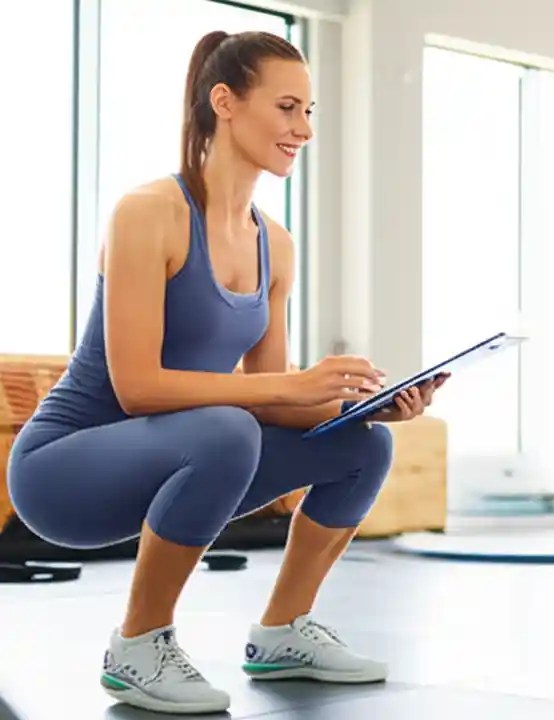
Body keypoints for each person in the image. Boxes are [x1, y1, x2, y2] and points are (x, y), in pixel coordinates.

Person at [6, 30, 447, 715]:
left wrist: (359, 408)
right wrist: (290, 387)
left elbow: (274, 402)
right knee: (224, 431)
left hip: (186, 450)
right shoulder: (148, 213)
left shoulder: (277, 243)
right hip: (63, 473)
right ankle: (138, 647)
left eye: (310, 112)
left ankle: (282, 632)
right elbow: (137, 388)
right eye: (287, 108)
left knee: (362, 448)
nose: (303, 129)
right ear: (225, 103)